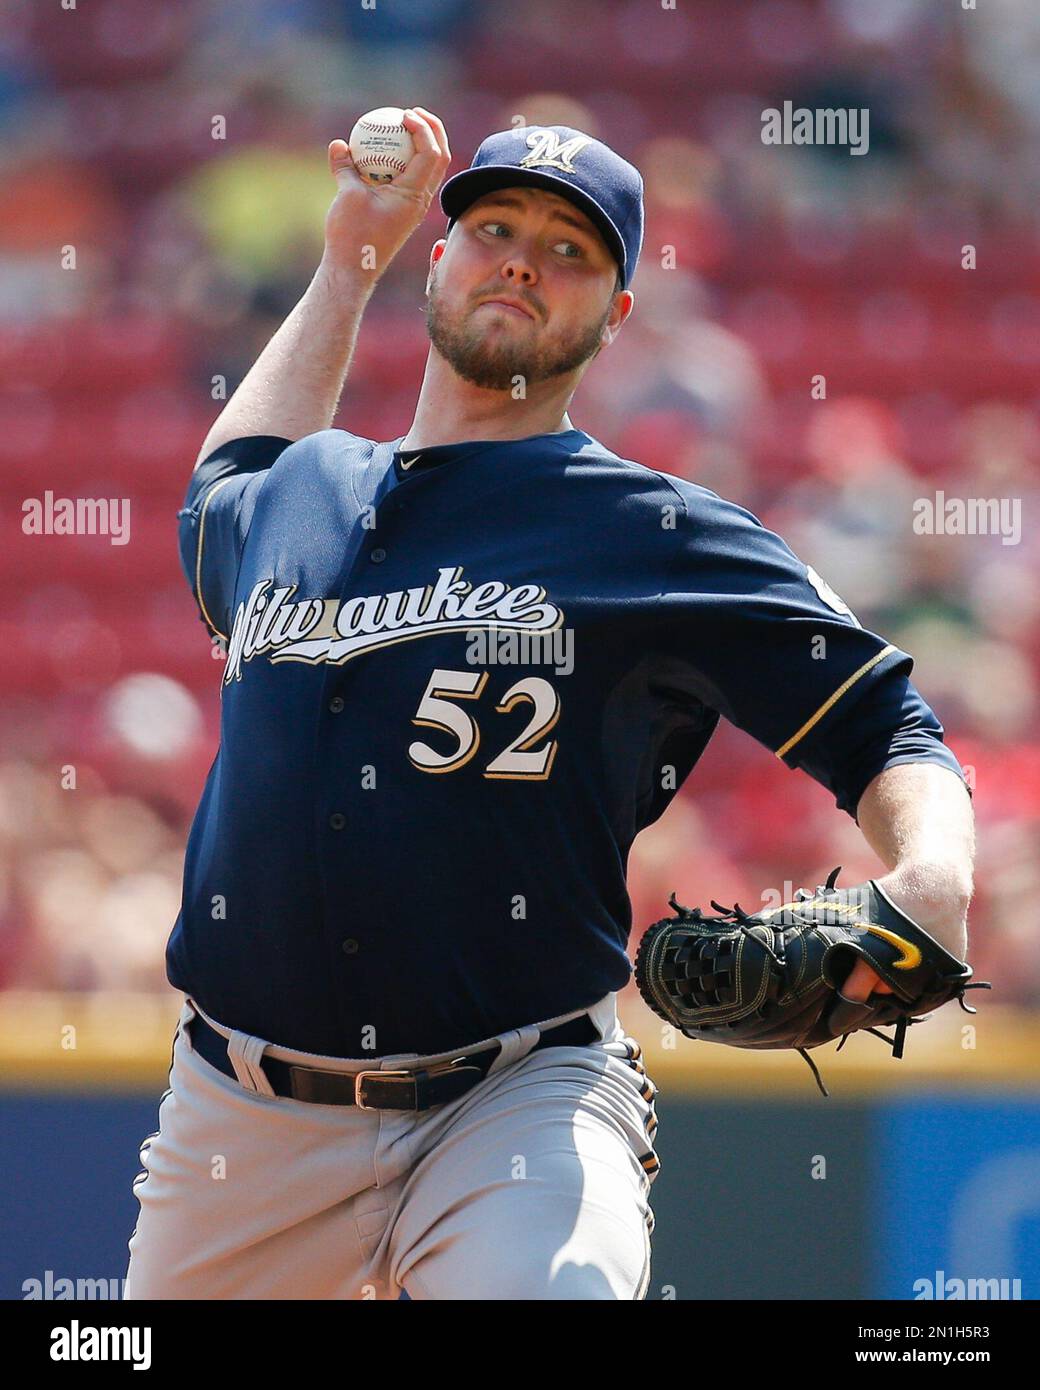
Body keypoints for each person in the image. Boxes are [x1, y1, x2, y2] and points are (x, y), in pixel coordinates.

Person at [124, 110, 974, 1300]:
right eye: (492, 228)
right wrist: (345, 260)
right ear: (440, 256)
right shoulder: (301, 492)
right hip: (241, 1119)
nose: (521, 258)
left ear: (615, 315)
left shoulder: (649, 530)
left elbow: (884, 723)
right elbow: (220, 484)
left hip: (512, 1098)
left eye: (570, 249)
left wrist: (931, 877)